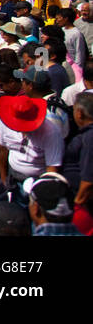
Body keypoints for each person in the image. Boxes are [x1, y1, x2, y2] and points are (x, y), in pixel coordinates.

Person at [61, 91, 93, 233]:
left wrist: (77, 205)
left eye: (74, 110)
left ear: (79, 113)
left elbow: (88, 179)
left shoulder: (89, 137)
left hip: (83, 203)